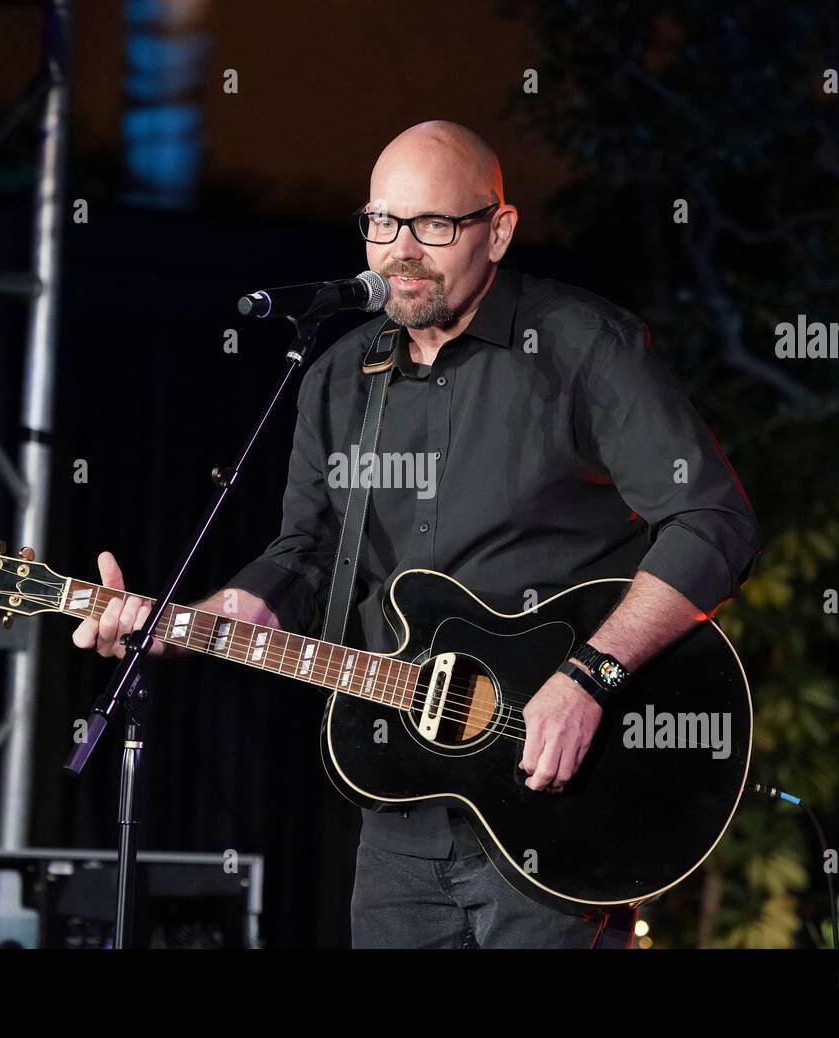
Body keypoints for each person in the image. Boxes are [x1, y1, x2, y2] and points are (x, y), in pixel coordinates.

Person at [73, 120, 761, 948]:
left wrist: (589, 676)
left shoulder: (582, 346)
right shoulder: (337, 375)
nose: (401, 251)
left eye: (434, 226)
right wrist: (190, 624)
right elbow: (305, 557)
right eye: (382, 223)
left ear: (498, 230)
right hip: (400, 808)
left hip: (565, 801)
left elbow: (714, 521)